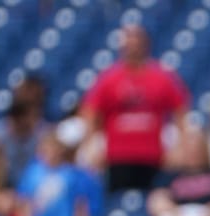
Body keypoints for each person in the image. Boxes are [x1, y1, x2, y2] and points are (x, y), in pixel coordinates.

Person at [80, 24, 190, 191]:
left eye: (137, 42)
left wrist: (179, 146)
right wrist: (92, 145)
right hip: (117, 157)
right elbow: (90, 112)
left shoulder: (162, 77)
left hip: (153, 157)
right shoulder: (109, 78)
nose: (133, 48)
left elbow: (181, 110)